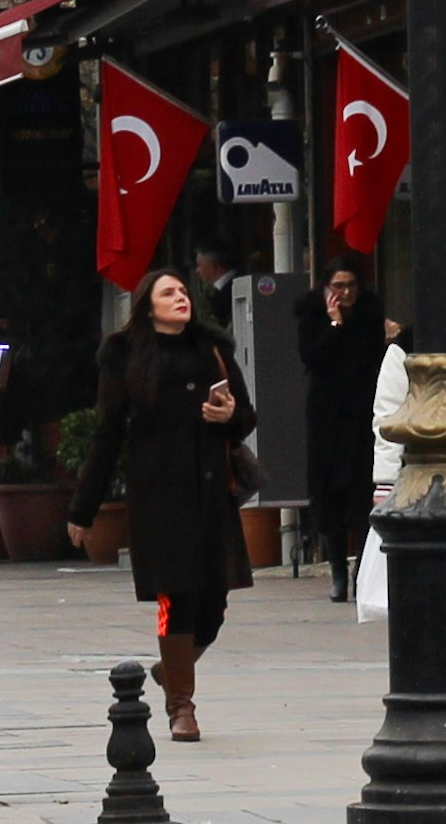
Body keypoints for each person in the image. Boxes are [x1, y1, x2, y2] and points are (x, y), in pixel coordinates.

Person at [66, 265, 252, 743]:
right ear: (148, 305)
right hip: (159, 496)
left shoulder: (212, 348)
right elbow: (108, 433)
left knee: (215, 602)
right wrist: (82, 510)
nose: (180, 298)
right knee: (178, 596)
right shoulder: (126, 356)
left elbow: (245, 417)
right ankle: (181, 709)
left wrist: (229, 415)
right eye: (168, 293)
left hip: (211, 491)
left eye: (184, 291)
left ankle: (172, 670)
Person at [297, 259, 393, 603]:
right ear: (326, 287)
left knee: (363, 491)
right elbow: (312, 356)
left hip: (363, 413)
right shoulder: (311, 313)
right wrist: (335, 326)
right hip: (327, 418)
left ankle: (360, 570)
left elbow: (372, 356)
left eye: (351, 285)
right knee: (330, 495)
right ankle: (337, 568)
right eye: (338, 286)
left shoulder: (370, 313)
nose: (346, 293)